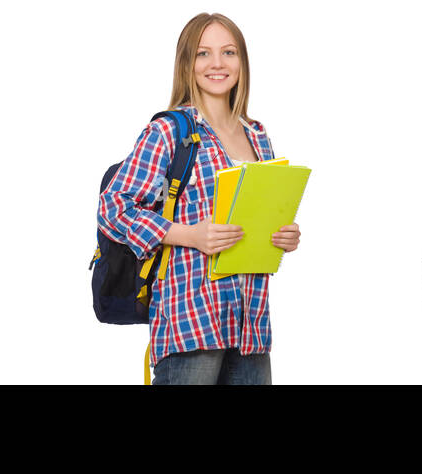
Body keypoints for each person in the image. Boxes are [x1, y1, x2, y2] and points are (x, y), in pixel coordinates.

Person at [98, 13, 301, 385]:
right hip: (191, 323)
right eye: (203, 54)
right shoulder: (169, 131)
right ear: (187, 64)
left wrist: (283, 236)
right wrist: (189, 235)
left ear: (242, 61)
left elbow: (258, 216)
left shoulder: (258, 136)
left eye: (229, 52)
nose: (218, 64)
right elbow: (113, 208)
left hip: (250, 327)